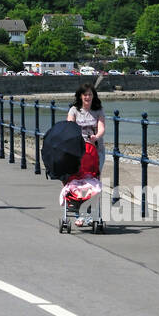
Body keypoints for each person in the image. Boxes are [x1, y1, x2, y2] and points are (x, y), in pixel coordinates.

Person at [66, 83, 106, 226]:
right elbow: (69, 127)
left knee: (93, 181)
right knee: (79, 181)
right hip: (79, 151)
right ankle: (79, 214)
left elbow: (101, 127)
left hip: (96, 150)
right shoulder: (74, 110)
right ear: (80, 96)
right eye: (85, 95)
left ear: (93, 96)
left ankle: (92, 213)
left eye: (90, 94)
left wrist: (96, 136)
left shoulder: (98, 110)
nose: (87, 97)